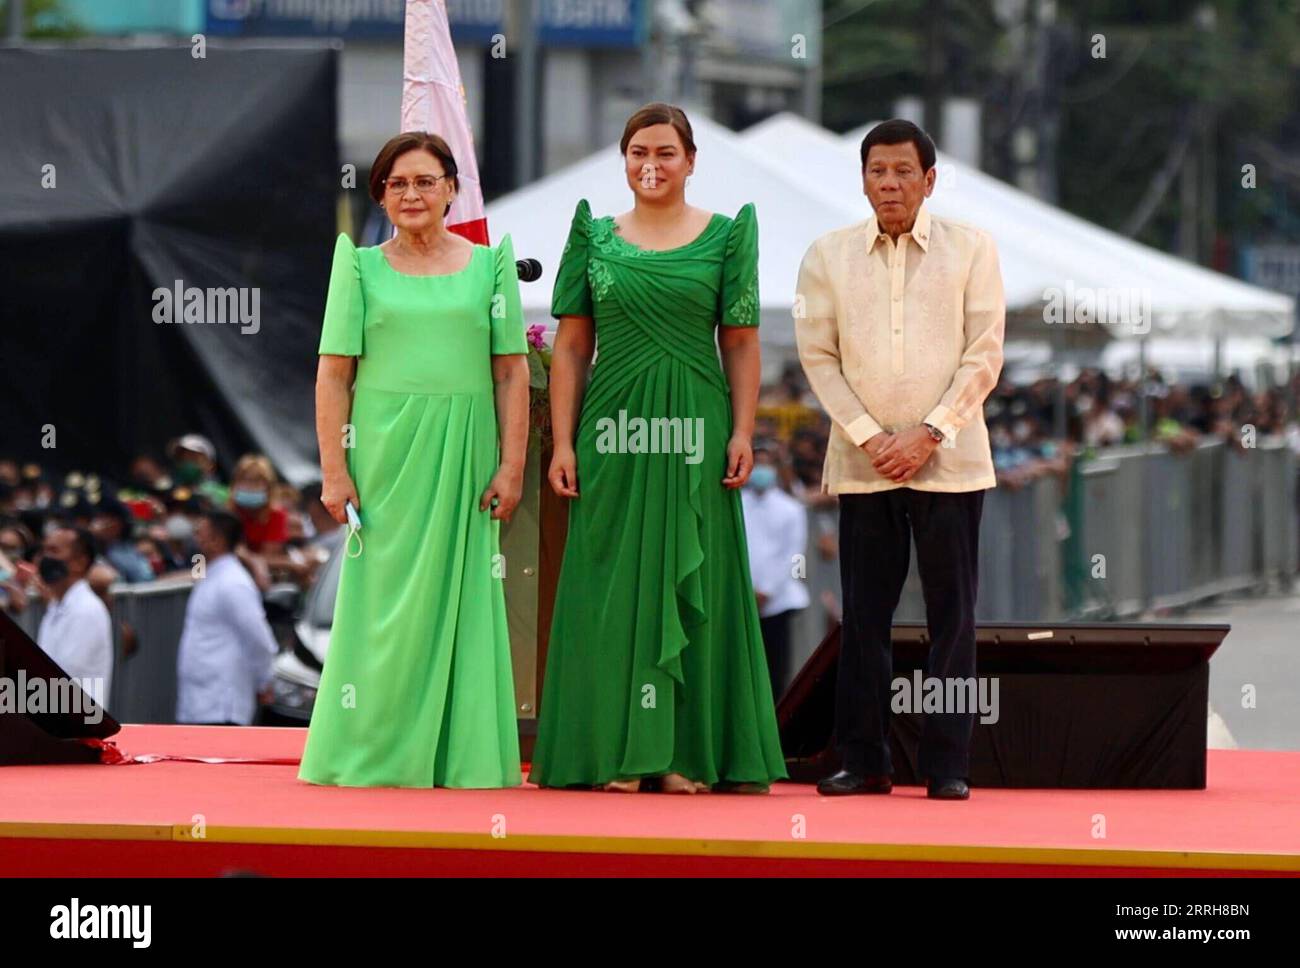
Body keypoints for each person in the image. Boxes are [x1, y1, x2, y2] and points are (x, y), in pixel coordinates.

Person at [530, 103, 787, 794]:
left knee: (691, 578)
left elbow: (740, 341)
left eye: (666, 151)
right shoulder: (594, 235)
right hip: (610, 428)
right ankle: (613, 751)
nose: (652, 162)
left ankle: (680, 756)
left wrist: (740, 430)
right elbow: (573, 345)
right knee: (609, 586)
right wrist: (562, 440)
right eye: (639, 150)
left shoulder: (729, 237)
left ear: (691, 160)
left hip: (696, 430)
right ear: (624, 158)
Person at [298, 131, 530, 789]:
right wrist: (334, 470)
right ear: (381, 195)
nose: (412, 194)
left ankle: (460, 756)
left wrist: (510, 467)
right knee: (381, 607)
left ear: (452, 189)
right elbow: (333, 374)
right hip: (382, 455)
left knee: (463, 598)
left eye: (426, 181)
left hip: (466, 454)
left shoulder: (490, 267)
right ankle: (374, 753)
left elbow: (512, 374)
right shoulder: (359, 267)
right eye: (397, 183)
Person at [794, 119, 1005, 801]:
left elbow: (984, 355)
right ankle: (864, 758)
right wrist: (868, 435)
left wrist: (930, 433)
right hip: (862, 467)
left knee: (953, 618)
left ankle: (947, 762)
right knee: (863, 618)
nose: (890, 183)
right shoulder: (826, 256)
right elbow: (817, 356)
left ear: (930, 179)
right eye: (878, 171)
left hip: (952, 461)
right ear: (862, 179)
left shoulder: (972, 249)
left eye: (903, 172)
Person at [175, 510, 279, 726]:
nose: (195, 539)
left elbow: (258, 636)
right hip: (199, 703)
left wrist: (264, 680)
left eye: (200, 533)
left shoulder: (234, 583)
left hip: (221, 706)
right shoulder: (209, 574)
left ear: (217, 540)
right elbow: (192, 572)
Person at [739, 441, 810, 701]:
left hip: (777, 602)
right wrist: (746, 589)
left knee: (776, 670)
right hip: (740, 599)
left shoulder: (791, 509)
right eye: (757, 462)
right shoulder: (735, 504)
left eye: (767, 463)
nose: (762, 468)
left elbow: (794, 557)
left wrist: (767, 590)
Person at [36, 526, 113, 707]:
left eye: (54, 551)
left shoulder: (86, 609)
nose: (45, 559)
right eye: (44, 550)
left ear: (79, 562)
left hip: (77, 724)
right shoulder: (56, 605)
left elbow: (64, 676)